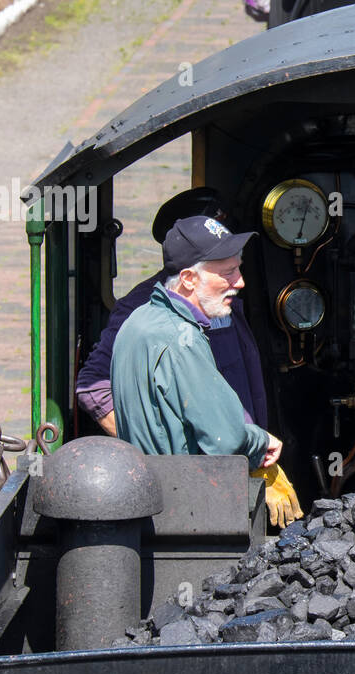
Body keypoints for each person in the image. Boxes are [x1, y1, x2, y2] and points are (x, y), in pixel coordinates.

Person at [110, 214, 301, 526]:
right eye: (227, 273)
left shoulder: (139, 321)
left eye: (238, 268)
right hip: (185, 510)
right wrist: (262, 443)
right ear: (188, 279)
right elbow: (225, 439)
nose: (239, 281)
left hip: (151, 501)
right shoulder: (182, 339)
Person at [75, 188, 267, 438]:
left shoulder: (220, 298)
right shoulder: (141, 307)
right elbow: (93, 387)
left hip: (242, 457)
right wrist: (151, 452)